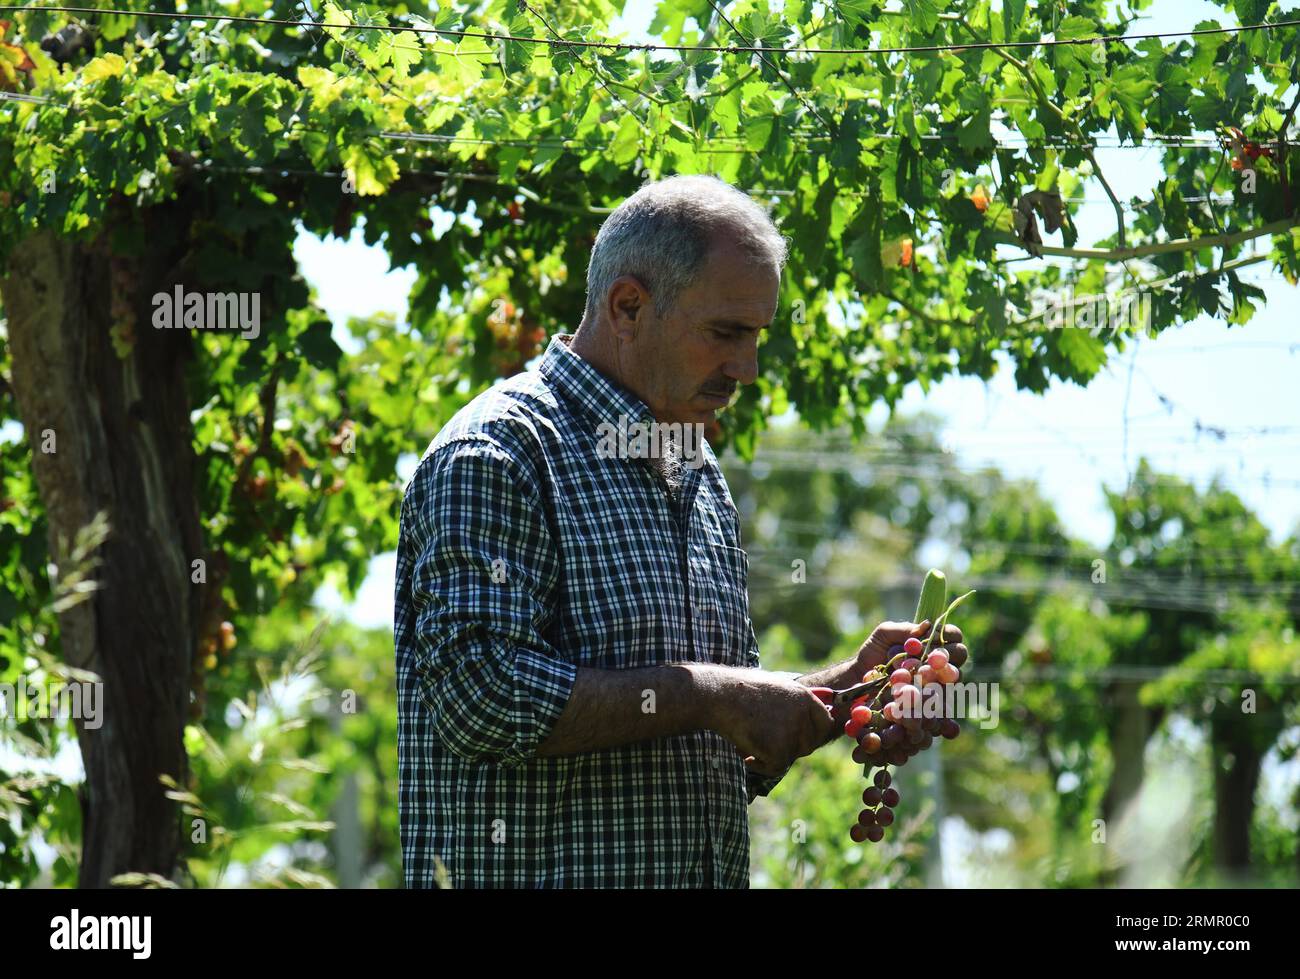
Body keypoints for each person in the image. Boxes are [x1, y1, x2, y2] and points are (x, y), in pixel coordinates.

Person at [394, 174, 965, 887]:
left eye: (756, 337)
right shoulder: (499, 454)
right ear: (628, 306)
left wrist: (837, 697)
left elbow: (710, 756)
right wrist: (711, 693)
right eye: (726, 332)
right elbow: (479, 695)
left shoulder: (697, 473)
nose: (747, 368)